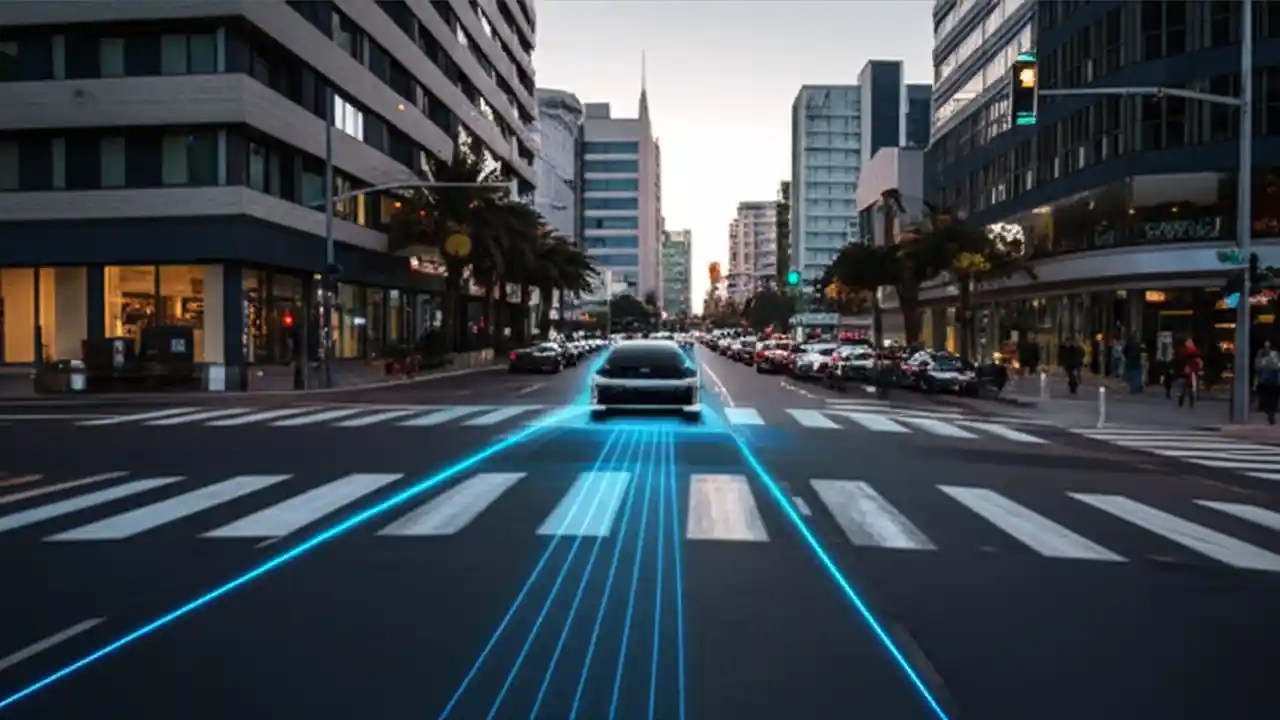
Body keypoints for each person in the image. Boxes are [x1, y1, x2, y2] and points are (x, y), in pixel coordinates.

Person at [1177, 338, 1203, 408]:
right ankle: (1189, 402)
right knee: (1188, 389)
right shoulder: (1194, 353)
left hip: (1188, 373)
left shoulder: (1185, 352)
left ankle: (1182, 402)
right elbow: (1199, 363)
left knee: (1185, 389)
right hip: (1190, 373)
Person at [1257, 348, 1280, 426]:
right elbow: (1260, 368)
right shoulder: (1270, 361)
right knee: (1270, 399)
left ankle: (1271, 413)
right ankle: (1270, 413)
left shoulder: (1270, 361)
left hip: (1273, 383)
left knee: (1272, 400)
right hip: (1269, 383)